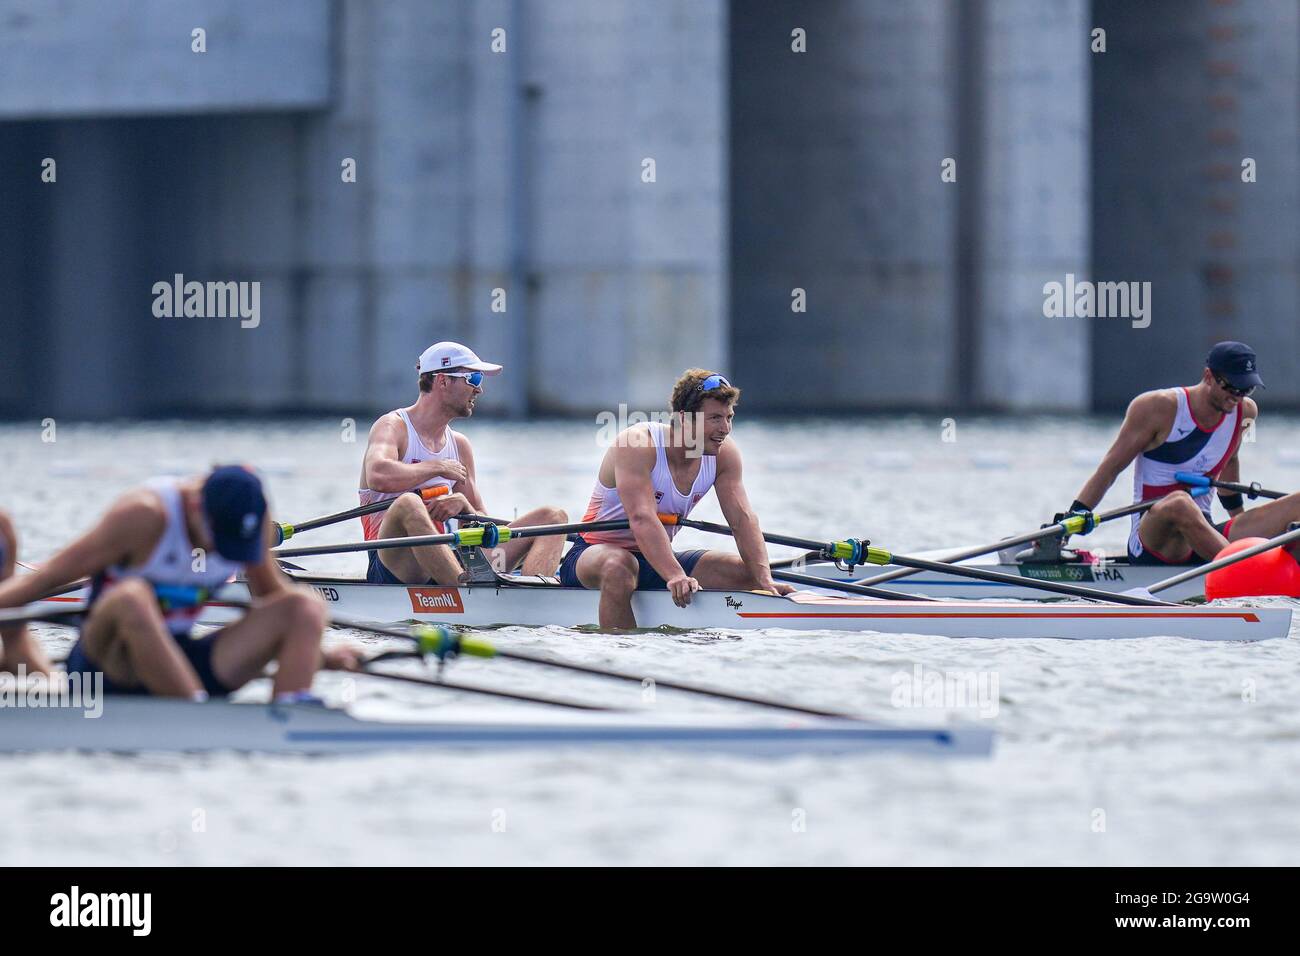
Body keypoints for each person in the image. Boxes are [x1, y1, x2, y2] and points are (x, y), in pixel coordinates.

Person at [0, 467, 358, 699]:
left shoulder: (243, 524)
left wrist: (321, 655)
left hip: (182, 655)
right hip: (108, 662)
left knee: (305, 606)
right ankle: (194, 713)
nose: (223, 552)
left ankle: (288, 716)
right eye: (219, 540)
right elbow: (43, 581)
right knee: (132, 598)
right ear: (195, 506)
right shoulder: (143, 515)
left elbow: (276, 603)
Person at [558, 369, 794, 628]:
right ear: (685, 420)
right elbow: (642, 518)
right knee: (619, 566)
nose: (725, 429)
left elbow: (742, 519)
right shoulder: (637, 444)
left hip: (655, 557)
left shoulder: (724, 455)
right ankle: (621, 651)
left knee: (746, 574)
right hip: (593, 554)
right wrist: (675, 575)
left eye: (729, 417)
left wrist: (763, 579)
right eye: (715, 418)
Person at [358, 341, 567, 584]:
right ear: (443, 381)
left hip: (449, 554)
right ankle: (465, 593)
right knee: (409, 504)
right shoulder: (392, 426)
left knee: (553, 517)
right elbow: (378, 475)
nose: (479, 390)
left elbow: (481, 522)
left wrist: (465, 507)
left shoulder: (459, 445)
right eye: (474, 379)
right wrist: (438, 467)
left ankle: (534, 600)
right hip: (395, 562)